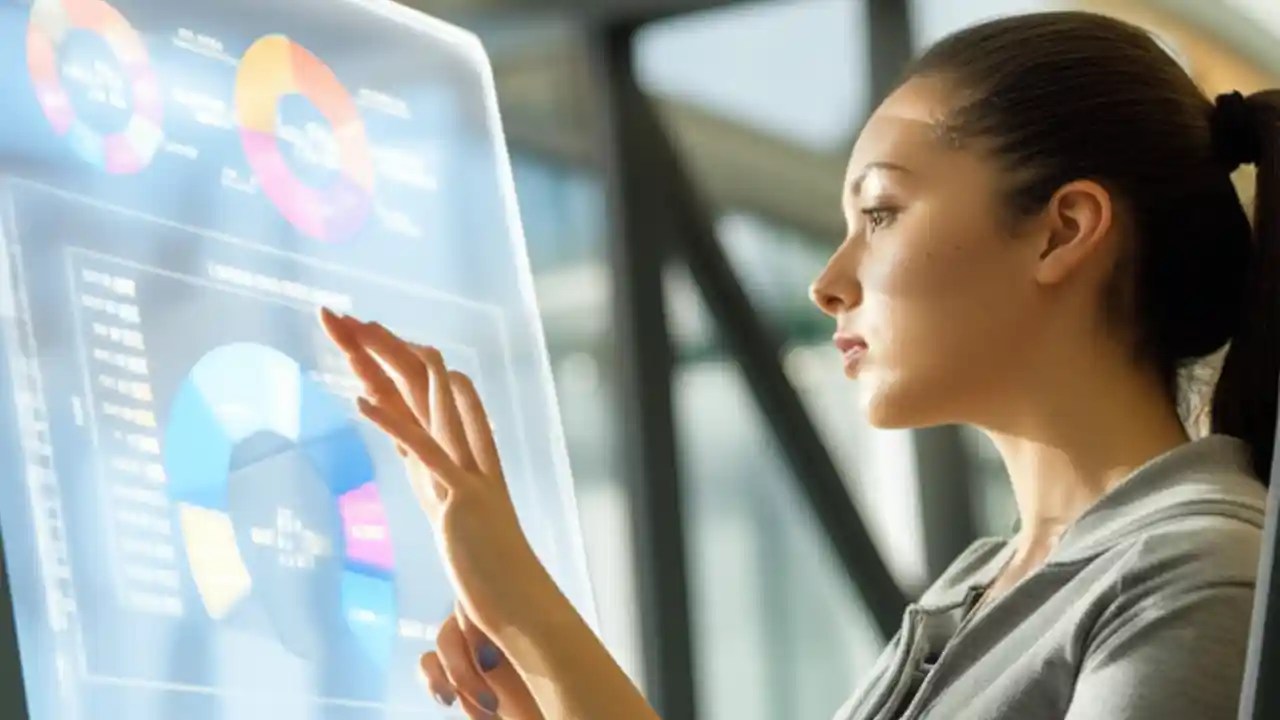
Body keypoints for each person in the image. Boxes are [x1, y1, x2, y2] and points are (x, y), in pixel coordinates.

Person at [319, 9, 1280, 720]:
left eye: (881, 214)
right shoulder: (977, 585)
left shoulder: (1196, 571)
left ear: (1063, 230)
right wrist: (538, 674)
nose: (829, 281)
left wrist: (532, 613)